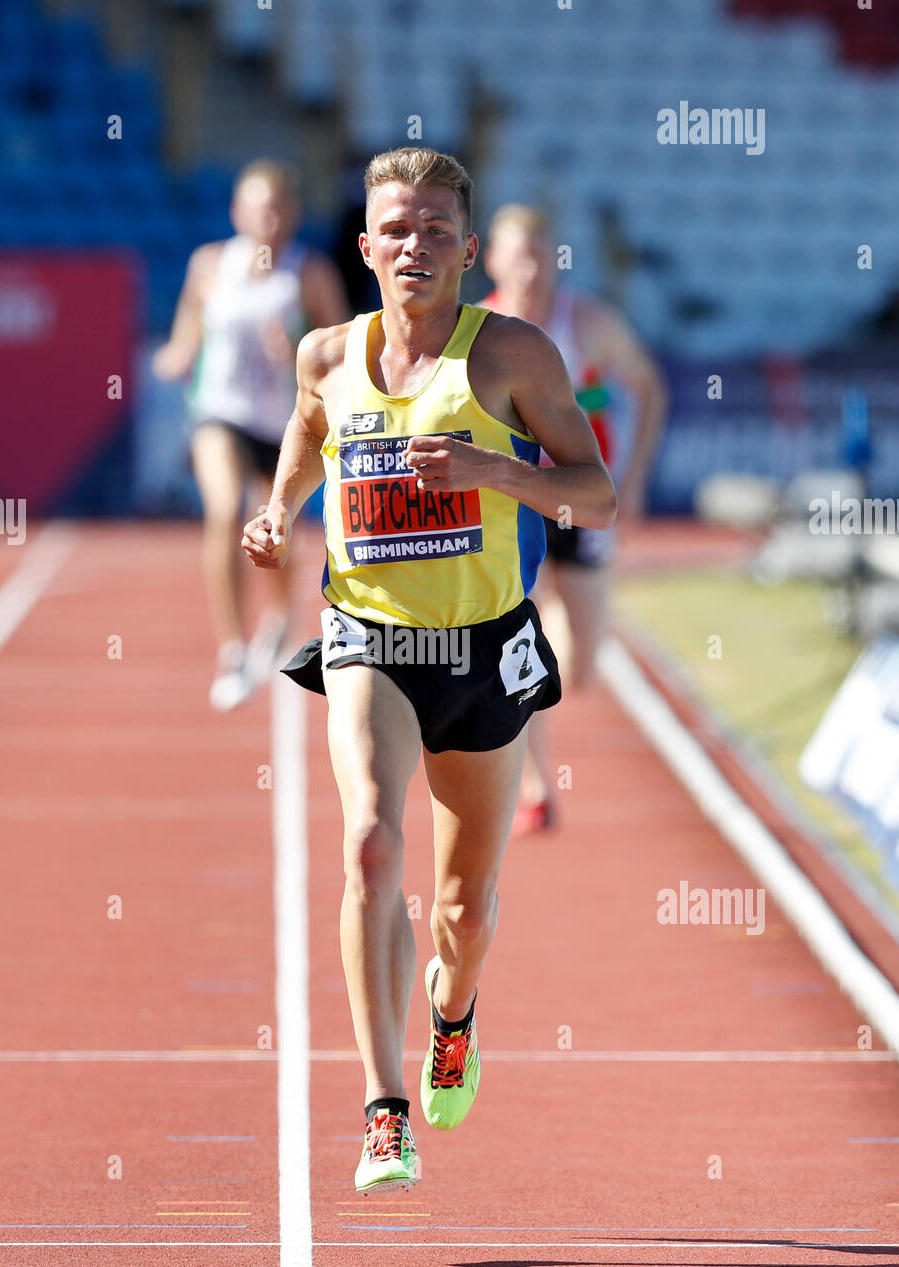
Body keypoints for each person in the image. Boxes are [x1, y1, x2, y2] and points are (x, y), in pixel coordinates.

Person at [242, 148, 616, 1193]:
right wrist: (276, 515)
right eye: (395, 229)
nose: (414, 247)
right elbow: (305, 442)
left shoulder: (513, 355)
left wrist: (496, 468)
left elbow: (598, 494)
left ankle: (454, 1016)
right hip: (370, 638)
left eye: (436, 231)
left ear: (463, 247)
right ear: (365, 246)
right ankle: (381, 1109)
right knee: (368, 843)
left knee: (462, 908)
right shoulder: (326, 353)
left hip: (482, 652)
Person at [481, 205, 668, 831]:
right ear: (492, 260)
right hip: (513, 504)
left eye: (540, 254)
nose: (530, 268)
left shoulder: (585, 322)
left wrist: (635, 477)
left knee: (581, 665)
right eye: (517, 255)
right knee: (521, 646)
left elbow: (648, 386)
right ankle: (535, 785)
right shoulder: (479, 328)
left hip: (581, 501)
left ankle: (554, 643)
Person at [154, 159, 348, 710]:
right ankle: (232, 649)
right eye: (258, 205)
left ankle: (279, 620)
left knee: (274, 527)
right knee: (224, 509)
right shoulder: (209, 265)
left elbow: (339, 356)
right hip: (220, 413)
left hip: (284, 423)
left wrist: (292, 356)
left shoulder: (309, 272)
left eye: (280, 206)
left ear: (294, 214)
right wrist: (174, 358)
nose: (269, 216)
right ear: (238, 211)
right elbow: (187, 335)